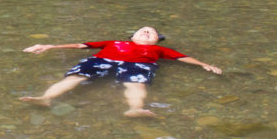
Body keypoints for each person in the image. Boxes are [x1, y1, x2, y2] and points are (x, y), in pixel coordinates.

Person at [20, 26, 222, 118]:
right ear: (132, 36)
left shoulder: (159, 49)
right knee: (76, 77)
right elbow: (82, 45)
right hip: (102, 59)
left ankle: (135, 108)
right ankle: (45, 98)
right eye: (142, 30)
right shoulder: (114, 42)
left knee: (136, 84)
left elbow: (181, 57)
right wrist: (50, 46)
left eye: (151, 32)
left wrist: (203, 64)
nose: (146, 31)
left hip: (138, 65)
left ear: (157, 39)